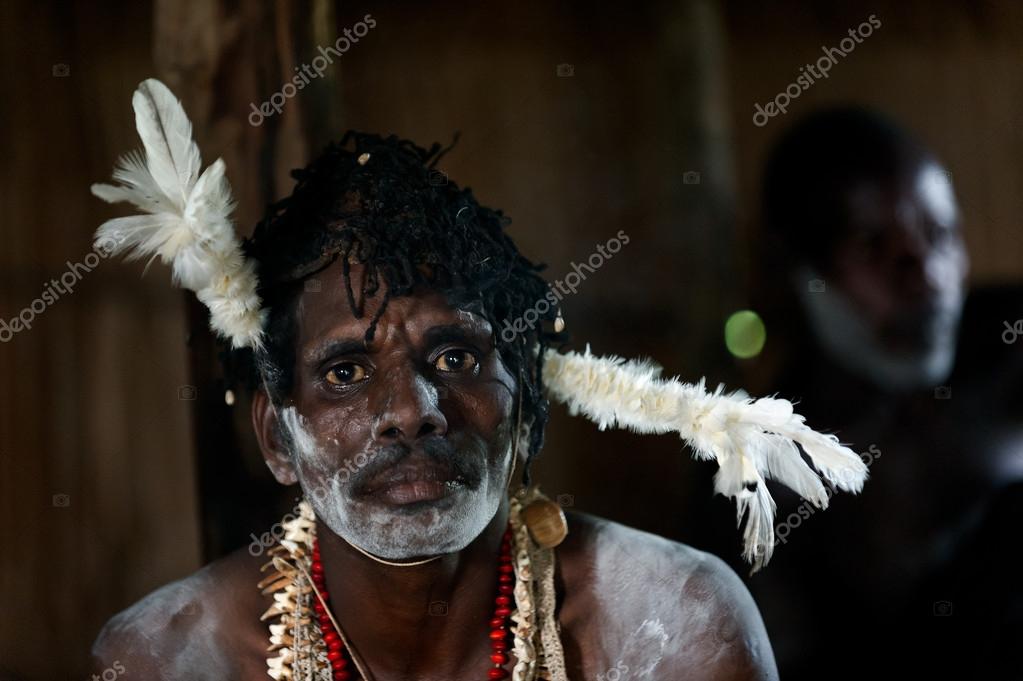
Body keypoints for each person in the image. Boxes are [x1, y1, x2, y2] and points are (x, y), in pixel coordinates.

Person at [85, 80, 864, 680]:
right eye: (347, 371)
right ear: (276, 437)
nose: (411, 409)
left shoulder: (676, 628)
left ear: (523, 398)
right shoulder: (170, 657)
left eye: (454, 357)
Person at [717, 106, 1023, 678]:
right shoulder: (769, 470)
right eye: (872, 248)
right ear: (799, 270)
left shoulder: (1010, 350)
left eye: (940, 235)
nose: (925, 277)